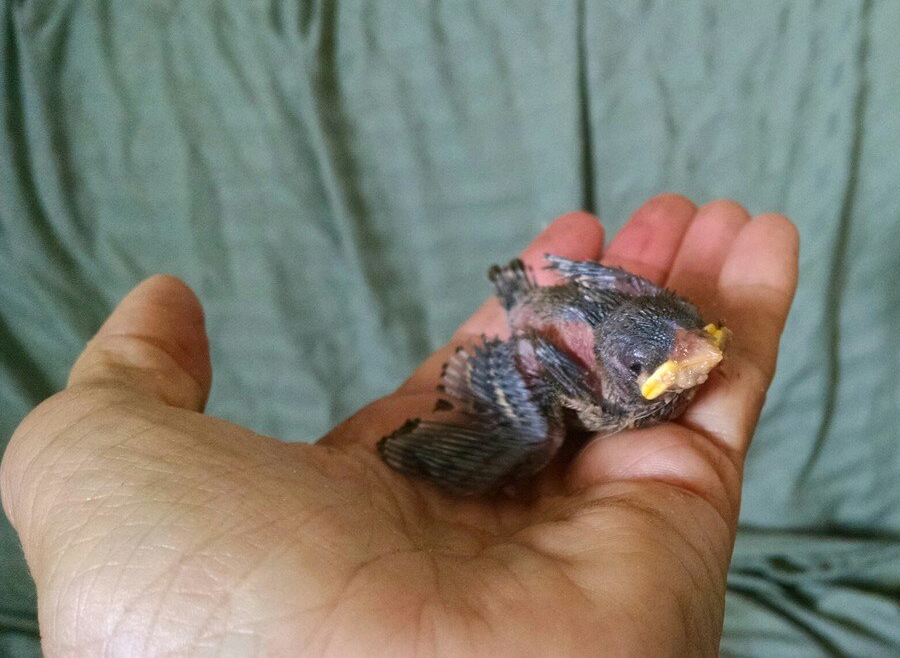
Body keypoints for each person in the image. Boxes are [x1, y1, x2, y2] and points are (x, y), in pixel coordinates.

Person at [1, 196, 798, 655]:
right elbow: (589, 354)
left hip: (598, 321)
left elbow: (636, 312)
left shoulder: (667, 335)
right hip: (546, 350)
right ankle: (474, 435)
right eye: (669, 360)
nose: (702, 360)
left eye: (702, 345)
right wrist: (528, 409)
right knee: (531, 441)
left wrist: (675, 339)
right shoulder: (598, 379)